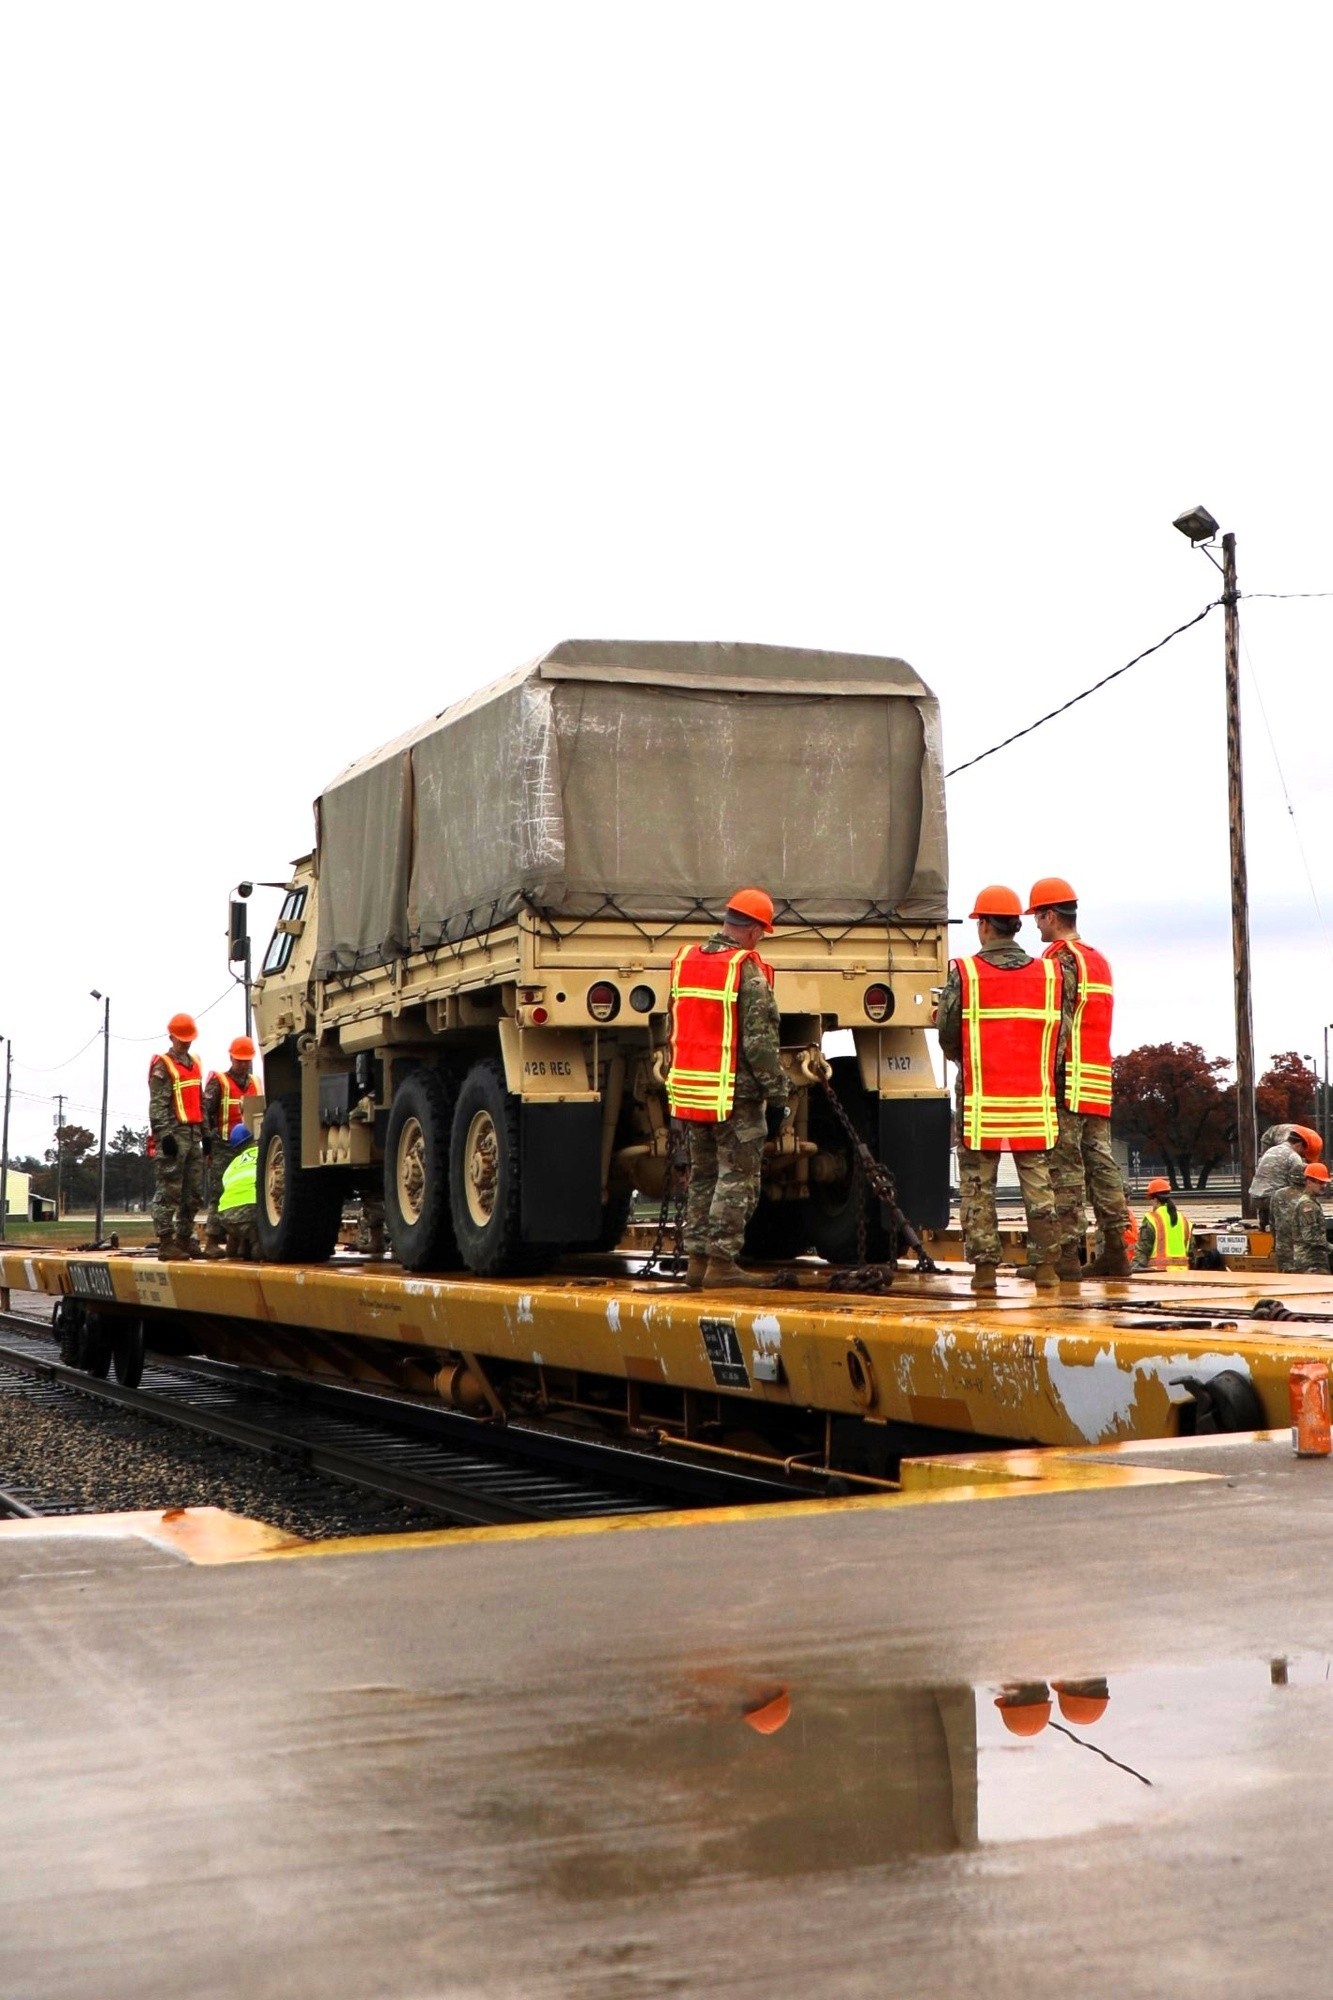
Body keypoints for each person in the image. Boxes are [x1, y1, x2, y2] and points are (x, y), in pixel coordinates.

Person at [935, 885, 1061, 1293]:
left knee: (977, 1187)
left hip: (980, 1097)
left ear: (985, 925)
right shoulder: (1048, 973)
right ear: (1017, 925)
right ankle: (1046, 1269)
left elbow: (948, 1035)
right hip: (1033, 1100)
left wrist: (966, 1060)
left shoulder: (966, 974)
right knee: (1039, 1184)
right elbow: (1062, 1036)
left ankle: (985, 1272)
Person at [666, 887, 790, 1290]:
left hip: (694, 1091)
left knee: (702, 1177)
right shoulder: (745, 971)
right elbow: (760, 1045)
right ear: (752, 929)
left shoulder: (687, 963)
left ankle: (697, 1263)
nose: (760, 939)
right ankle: (722, 1262)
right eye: (762, 932)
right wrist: (777, 1093)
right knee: (737, 1177)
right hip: (736, 1096)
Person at [1026, 876, 1132, 1279]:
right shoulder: (1097, 958)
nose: (1035, 924)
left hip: (1065, 1077)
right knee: (1101, 1164)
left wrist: (1041, 1076)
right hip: (1096, 1077)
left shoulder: (1058, 960)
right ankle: (1116, 1250)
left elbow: (1058, 1023)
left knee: (1064, 1168)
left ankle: (1067, 1257)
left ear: (1051, 915)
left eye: (1038, 916)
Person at [148, 1013, 207, 1260]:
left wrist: (206, 1133)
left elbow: (200, 1101)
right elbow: (157, 1105)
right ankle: (166, 1242)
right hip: (174, 1134)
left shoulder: (195, 1063)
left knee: (192, 1193)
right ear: (171, 1036)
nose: (185, 1043)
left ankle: (184, 1239)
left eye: (188, 1039)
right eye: (182, 1039)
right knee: (169, 1190)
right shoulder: (164, 1065)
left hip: (193, 1134)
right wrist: (164, 1135)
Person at [202, 1036, 260, 1255]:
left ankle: (240, 1243)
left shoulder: (255, 1082)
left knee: (250, 1189)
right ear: (231, 1058)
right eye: (239, 1060)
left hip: (249, 1145)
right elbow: (205, 1113)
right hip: (223, 1145)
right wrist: (207, 1146)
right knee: (219, 1193)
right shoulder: (219, 1081)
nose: (243, 1064)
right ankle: (211, 1240)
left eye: (246, 1060)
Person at [1271, 1160, 1332, 1275]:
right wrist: (1330, 1247)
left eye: (1325, 1182)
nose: (1323, 1186)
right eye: (1320, 1182)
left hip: (1310, 1260)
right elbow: (1310, 1237)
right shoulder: (1307, 1205)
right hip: (1311, 1262)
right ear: (1308, 1182)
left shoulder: (1310, 1202)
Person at [1250, 1124, 1314, 1231]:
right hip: (1274, 1200)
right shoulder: (1293, 1156)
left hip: (1255, 1198)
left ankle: (1264, 1225)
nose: (1303, 1153)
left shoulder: (1270, 1151)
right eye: (1303, 1150)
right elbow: (1298, 1182)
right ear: (1299, 1144)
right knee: (1300, 1197)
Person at [216, 1122, 260, 1259]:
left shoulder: (234, 1164)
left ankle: (234, 1253)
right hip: (251, 1212)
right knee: (258, 1238)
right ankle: (256, 1251)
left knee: (236, 1232)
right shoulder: (263, 1154)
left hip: (226, 1215)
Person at [1132, 1176, 1193, 1270]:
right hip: (1183, 1273)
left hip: (1159, 1273)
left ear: (1155, 1200)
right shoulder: (1183, 1219)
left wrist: (1134, 1267)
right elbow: (1190, 1249)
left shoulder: (1152, 1219)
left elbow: (1143, 1249)